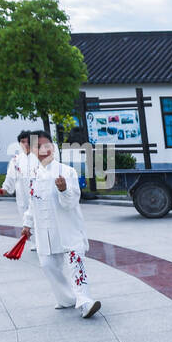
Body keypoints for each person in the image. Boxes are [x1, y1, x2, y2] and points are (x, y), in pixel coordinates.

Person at [20, 132, 101, 319]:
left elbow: (71, 203)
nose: (43, 149)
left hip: (67, 229)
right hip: (45, 232)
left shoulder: (67, 172)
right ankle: (66, 299)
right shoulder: (33, 175)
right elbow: (32, 203)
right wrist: (27, 223)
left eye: (46, 145)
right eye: (38, 146)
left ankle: (85, 301)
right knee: (48, 266)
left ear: (53, 148)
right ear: (33, 151)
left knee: (75, 264)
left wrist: (63, 190)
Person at [1, 129, 34, 224]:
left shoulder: (39, 158)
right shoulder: (16, 160)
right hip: (22, 198)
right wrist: (5, 188)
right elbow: (10, 177)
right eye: (23, 142)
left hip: (36, 197)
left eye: (28, 142)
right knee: (26, 223)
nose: (26, 144)